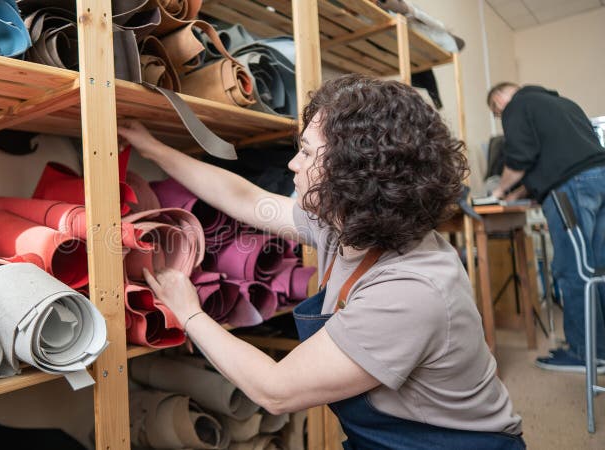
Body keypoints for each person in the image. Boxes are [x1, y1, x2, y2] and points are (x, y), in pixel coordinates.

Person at [119, 74, 524, 449]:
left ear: (353, 173)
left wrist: (189, 312)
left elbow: (275, 389)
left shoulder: (411, 290)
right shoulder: (346, 223)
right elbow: (244, 199)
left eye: (307, 153)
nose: (292, 164)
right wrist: (154, 149)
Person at [487, 82, 605, 372]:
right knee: (598, 267)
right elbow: (542, 159)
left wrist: (498, 193)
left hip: (570, 188)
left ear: (500, 101)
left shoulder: (517, 106)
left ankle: (585, 353)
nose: (499, 117)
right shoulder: (565, 104)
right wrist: (516, 193)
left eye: (495, 111)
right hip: (599, 179)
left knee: (573, 268)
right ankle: (600, 346)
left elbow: (519, 159)